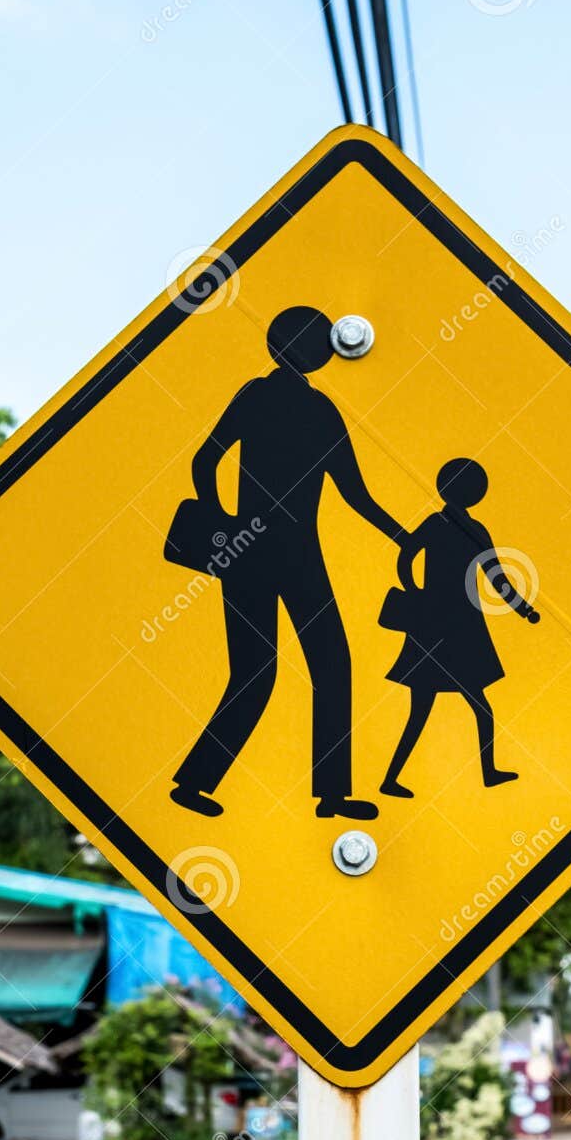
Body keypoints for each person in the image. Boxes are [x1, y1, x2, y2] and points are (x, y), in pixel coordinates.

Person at [170, 305, 403, 819]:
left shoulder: (268, 398)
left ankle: (197, 783)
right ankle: (331, 795)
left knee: (259, 672)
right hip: (292, 554)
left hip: (254, 553)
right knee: (326, 667)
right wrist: (402, 536)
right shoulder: (319, 410)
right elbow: (356, 495)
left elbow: (205, 460)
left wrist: (222, 523)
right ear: (320, 352)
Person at [381, 457, 539, 799]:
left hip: (450, 624)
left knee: (432, 708)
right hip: (452, 624)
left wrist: (522, 609)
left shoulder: (450, 527)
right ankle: (481, 771)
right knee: (460, 708)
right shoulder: (461, 528)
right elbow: (497, 579)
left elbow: (408, 556)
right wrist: (522, 608)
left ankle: (483, 771)